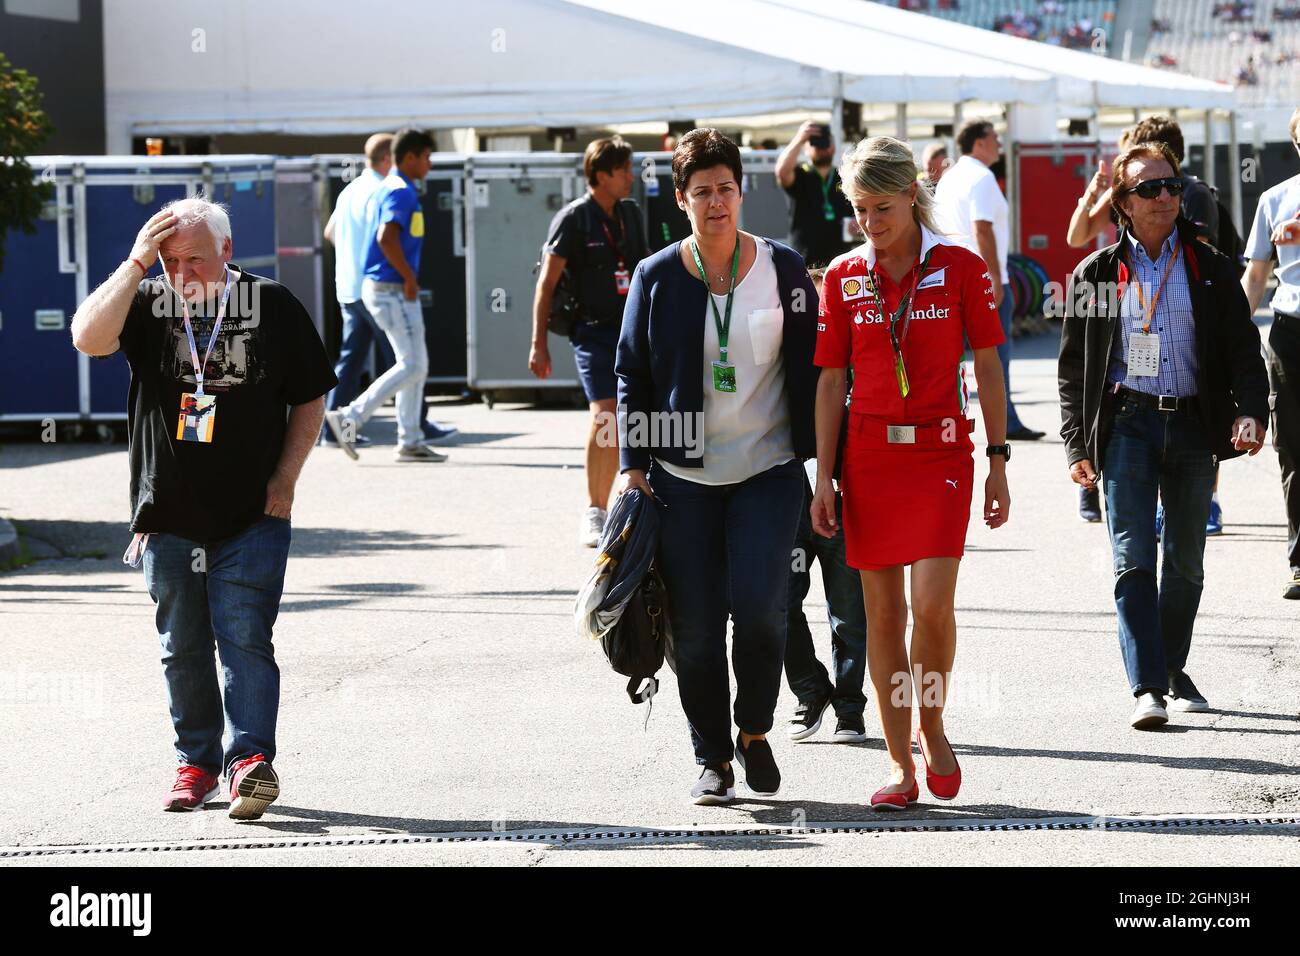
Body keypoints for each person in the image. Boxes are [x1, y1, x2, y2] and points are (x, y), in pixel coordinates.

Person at [70, 197, 337, 818]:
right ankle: (196, 763)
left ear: (227, 252)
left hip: (253, 513)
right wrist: (136, 265)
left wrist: (286, 480)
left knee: (245, 637)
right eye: (170, 261)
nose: (182, 274)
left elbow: (310, 396)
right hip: (166, 513)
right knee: (182, 645)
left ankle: (250, 763)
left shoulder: (270, 305)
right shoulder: (147, 300)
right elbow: (87, 337)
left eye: (194, 259)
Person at [615, 128, 819, 805]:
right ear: (681, 200)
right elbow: (632, 373)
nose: (715, 202)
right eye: (700, 192)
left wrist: (830, 466)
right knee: (695, 628)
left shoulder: (784, 270)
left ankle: (753, 730)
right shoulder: (657, 276)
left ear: (742, 191)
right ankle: (712, 758)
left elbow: (821, 369)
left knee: (763, 610)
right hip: (682, 480)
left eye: (725, 189)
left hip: (769, 469)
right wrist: (632, 466)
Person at [814, 136, 1010, 810]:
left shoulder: (958, 266)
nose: (872, 224)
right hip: (868, 459)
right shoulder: (842, 276)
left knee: (931, 605)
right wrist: (823, 479)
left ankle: (931, 724)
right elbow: (830, 377)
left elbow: (987, 365)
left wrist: (998, 460)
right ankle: (900, 766)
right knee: (882, 614)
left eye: (884, 208)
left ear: (913, 198)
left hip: (942, 456)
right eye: (861, 210)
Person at [1059, 142, 1269, 730]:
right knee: (1132, 556)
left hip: (1195, 424)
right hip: (1128, 423)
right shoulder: (1096, 274)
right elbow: (1073, 370)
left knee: (1186, 560)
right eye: (1149, 189)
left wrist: (1251, 410)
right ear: (1123, 205)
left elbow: (1242, 349)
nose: (1165, 197)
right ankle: (1148, 686)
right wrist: (1078, 445)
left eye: (1172, 186)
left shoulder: (1210, 266)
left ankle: (1171, 667)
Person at [531, 136, 647, 547]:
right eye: (623, 171)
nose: (630, 177)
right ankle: (594, 510)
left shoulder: (630, 214)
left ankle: (628, 501)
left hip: (631, 330)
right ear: (601, 175)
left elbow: (643, 274)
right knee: (606, 415)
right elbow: (546, 284)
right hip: (593, 332)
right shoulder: (573, 219)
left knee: (634, 417)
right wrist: (538, 343)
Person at [321, 134, 456, 450]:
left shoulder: (356, 189)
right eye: (426, 157)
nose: (430, 164)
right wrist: (408, 276)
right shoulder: (395, 190)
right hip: (388, 287)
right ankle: (351, 418)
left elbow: (332, 232)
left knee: (371, 361)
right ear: (405, 158)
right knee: (410, 364)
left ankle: (409, 437)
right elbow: (386, 238)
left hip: (355, 286)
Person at [784, 268, 869, 744]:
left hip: (847, 493)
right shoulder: (782, 359)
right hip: (787, 495)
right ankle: (810, 689)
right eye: (812, 307)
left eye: (828, 306)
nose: (820, 316)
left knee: (849, 610)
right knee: (775, 603)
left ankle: (850, 709)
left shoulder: (857, 356)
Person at [935, 119, 1044, 442]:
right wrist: (993, 276)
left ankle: (950, 417)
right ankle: (1005, 422)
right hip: (982, 279)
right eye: (995, 137)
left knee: (951, 357)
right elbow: (981, 227)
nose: (999, 143)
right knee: (996, 357)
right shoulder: (981, 178)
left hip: (951, 279)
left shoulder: (950, 177)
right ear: (979, 142)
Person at [1241, 105, 1300, 600]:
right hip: (1291, 331)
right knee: (1293, 447)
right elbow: (1256, 276)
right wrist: (1233, 333)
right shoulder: (1275, 199)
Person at [776, 120, 856, 269]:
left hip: (840, 261)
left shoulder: (844, 177)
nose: (821, 149)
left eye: (825, 144)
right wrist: (800, 139)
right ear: (806, 148)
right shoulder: (801, 175)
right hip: (806, 262)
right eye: (816, 144)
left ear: (833, 147)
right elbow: (782, 173)